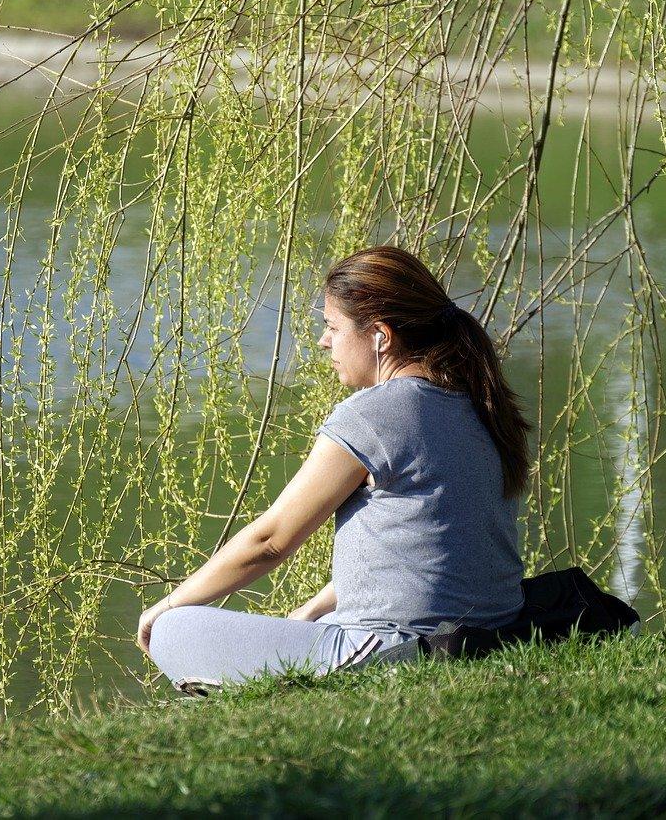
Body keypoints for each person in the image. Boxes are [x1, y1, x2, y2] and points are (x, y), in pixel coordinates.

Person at [139, 245, 533, 695]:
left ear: (380, 336)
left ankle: (273, 698)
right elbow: (417, 553)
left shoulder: (376, 414)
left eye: (332, 326)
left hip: (395, 651)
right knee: (298, 629)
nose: (324, 341)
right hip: (486, 635)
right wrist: (312, 610)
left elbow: (269, 543)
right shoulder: (479, 405)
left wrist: (166, 606)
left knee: (175, 630)